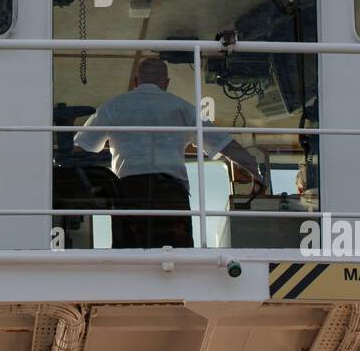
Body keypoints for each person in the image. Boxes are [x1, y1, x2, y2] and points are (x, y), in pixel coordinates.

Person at [73, 58, 263, 249]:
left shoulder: (113, 106)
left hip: (128, 192)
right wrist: (255, 171)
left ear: (136, 80)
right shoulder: (184, 109)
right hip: (171, 194)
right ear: (166, 83)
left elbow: (82, 146)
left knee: (128, 257)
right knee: (177, 258)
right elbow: (225, 145)